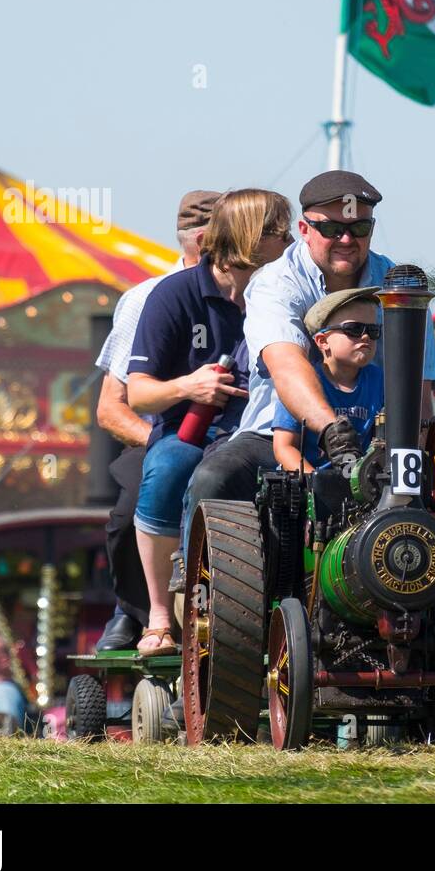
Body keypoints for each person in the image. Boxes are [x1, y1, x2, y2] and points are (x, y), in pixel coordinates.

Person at [173, 169, 435, 592]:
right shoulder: (275, 282)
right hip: (277, 436)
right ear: (304, 229)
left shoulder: (400, 288)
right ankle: (194, 586)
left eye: (359, 227)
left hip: (375, 443)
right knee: (214, 477)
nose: (346, 239)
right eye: (332, 228)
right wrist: (332, 430)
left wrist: (418, 463)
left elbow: (420, 391)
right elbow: (286, 364)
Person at [126, 189, 291, 655]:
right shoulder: (174, 295)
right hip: (188, 431)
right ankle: (160, 615)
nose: (289, 242)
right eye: (279, 232)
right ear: (248, 238)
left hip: (259, 430)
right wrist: (189, 387)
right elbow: (137, 393)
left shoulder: (280, 292)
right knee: (170, 467)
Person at [92, 190, 224, 652]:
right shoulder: (146, 298)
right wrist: (167, 443)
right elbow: (111, 408)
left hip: (234, 438)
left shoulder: (257, 293)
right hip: (159, 434)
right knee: (133, 506)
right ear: (208, 239)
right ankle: (135, 610)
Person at [272, 288, 385, 471]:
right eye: (354, 329)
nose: (365, 337)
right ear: (322, 341)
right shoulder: (302, 384)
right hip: (309, 484)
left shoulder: (380, 381)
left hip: (360, 483)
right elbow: (284, 447)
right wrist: (315, 484)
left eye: (373, 331)